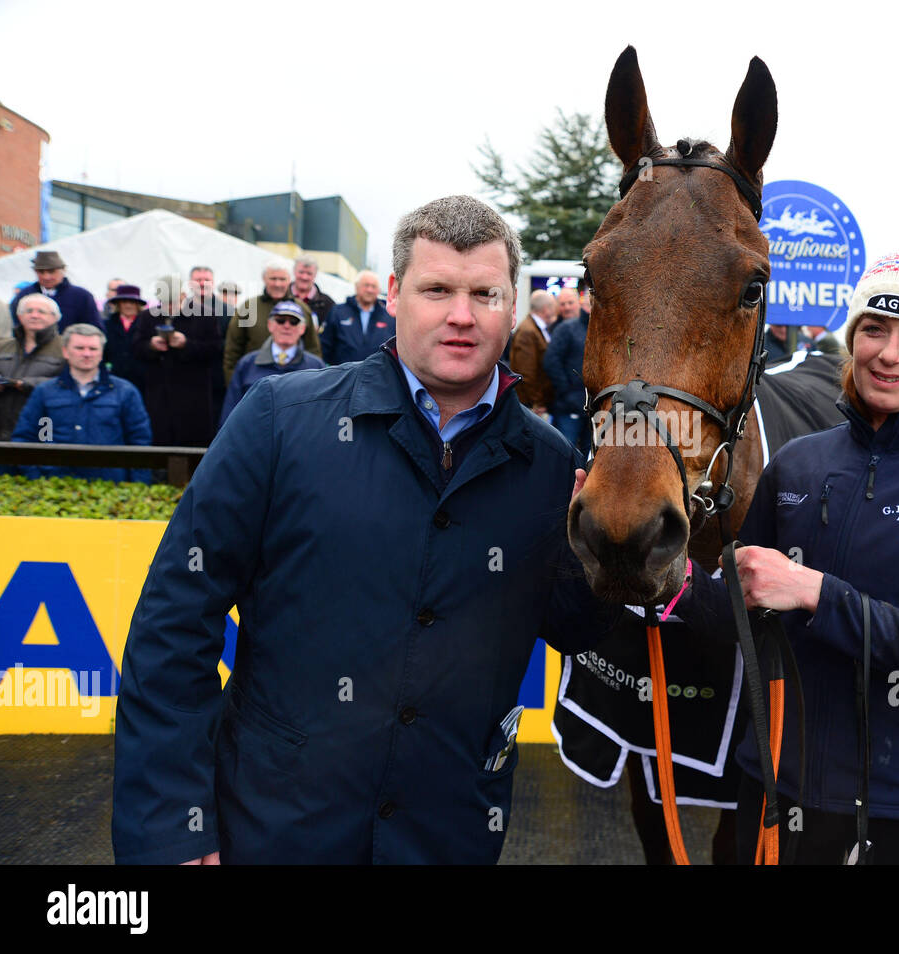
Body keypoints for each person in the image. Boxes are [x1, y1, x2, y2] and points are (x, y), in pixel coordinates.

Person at [111, 195, 622, 865]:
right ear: (393, 296)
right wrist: (172, 829)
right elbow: (173, 624)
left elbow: (578, 629)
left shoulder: (554, 467)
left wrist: (606, 547)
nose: (461, 316)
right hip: (269, 829)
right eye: (437, 289)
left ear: (512, 303)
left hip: (447, 836)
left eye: (484, 293)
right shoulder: (280, 420)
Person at [679, 249, 899, 865]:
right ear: (852, 340)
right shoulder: (799, 461)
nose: (889, 354)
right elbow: (740, 613)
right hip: (774, 794)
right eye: (874, 329)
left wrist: (815, 591)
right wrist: (659, 576)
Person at [9, 324, 151, 482]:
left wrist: (138, 487)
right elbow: (27, 437)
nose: (87, 354)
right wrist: (36, 479)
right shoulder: (45, 392)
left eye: (93, 349)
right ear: (65, 352)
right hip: (55, 487)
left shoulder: (125, 391)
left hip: (111, 488)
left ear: (101, 353)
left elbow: (140, 442)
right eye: (79, 348)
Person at [132, 275, 222, 447]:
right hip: (158, 394)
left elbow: (215, 349)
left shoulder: (205, 316)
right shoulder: (147, 317)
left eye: (173, 302)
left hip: (193, 395)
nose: (169, 307)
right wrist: (151, 345)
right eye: (165, 303)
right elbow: (136, 348)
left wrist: (186, 344)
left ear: (182, 295)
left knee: (192, 445)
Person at [219, 300, 325, 427]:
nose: (287, 326)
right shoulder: (247, 364)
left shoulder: (316, 367)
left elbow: (322, 414)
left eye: (294, 322)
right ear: (270, 325)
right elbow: (230, 411)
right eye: (280, 320)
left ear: (302, 329)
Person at [222, 263, 321, 384]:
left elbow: (313, 348)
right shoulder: (249, 307)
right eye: (273, 278)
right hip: (253, 381)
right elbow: (232, 350)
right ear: (264, 279)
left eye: (282, 279)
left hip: (294, 383)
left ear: (289, 280)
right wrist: (234, 384)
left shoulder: (302, 310)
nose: (277, 284)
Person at [0, 295, 65, 441]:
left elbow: (69, 382)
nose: (34, 315)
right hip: (1, 426)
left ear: (55, 318)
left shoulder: (65, 348)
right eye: (29, 311)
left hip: (44, 426)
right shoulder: (1, 347)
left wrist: (27, 384)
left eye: (41, 311)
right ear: (20, 317)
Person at [544, 289, 594, 457]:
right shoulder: (566, 329)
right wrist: (568, 392)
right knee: (565, 455)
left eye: (569, 302)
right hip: (568, 407)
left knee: (591, 457)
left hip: (593, 408)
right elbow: (551, 361)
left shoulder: (598, 328)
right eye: (563, 304)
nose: (566, 307)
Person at [9, 251, 103, 334]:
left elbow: (94, 329)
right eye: (41, 272)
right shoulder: (24, 295)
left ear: (63, 271)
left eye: (51, 271)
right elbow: (14, 324)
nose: (46, 277)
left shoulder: (82, 296)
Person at [320, 271, 392, 365]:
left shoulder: (389, 316)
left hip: (378, 376)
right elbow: (324, 346)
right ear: (356, 287)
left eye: (373, 287)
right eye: (366, 285)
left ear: (378, 290)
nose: (370, 290)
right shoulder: (338, 312)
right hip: (344, 375)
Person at [510, 290, 557, 414]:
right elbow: (526, 373)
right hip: (531, 405)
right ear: (546, 309)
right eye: (553, 307)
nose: (555, 310)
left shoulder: (535, 328)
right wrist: (537, 403)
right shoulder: (528, 331)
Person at [101, 284, 148, 398]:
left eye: (132, 302)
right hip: (115, 377)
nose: (128, 305)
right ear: (118, 304)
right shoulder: (107, 324)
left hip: (143, 379)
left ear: (138, 304)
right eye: (124, 301)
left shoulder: (147, 323)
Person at [289, 254, 336, 330]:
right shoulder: (281, 297)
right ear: (294, 271)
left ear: (315, 274)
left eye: (309, 273)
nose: (304, 277)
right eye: (301, 272)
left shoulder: (327, 304)